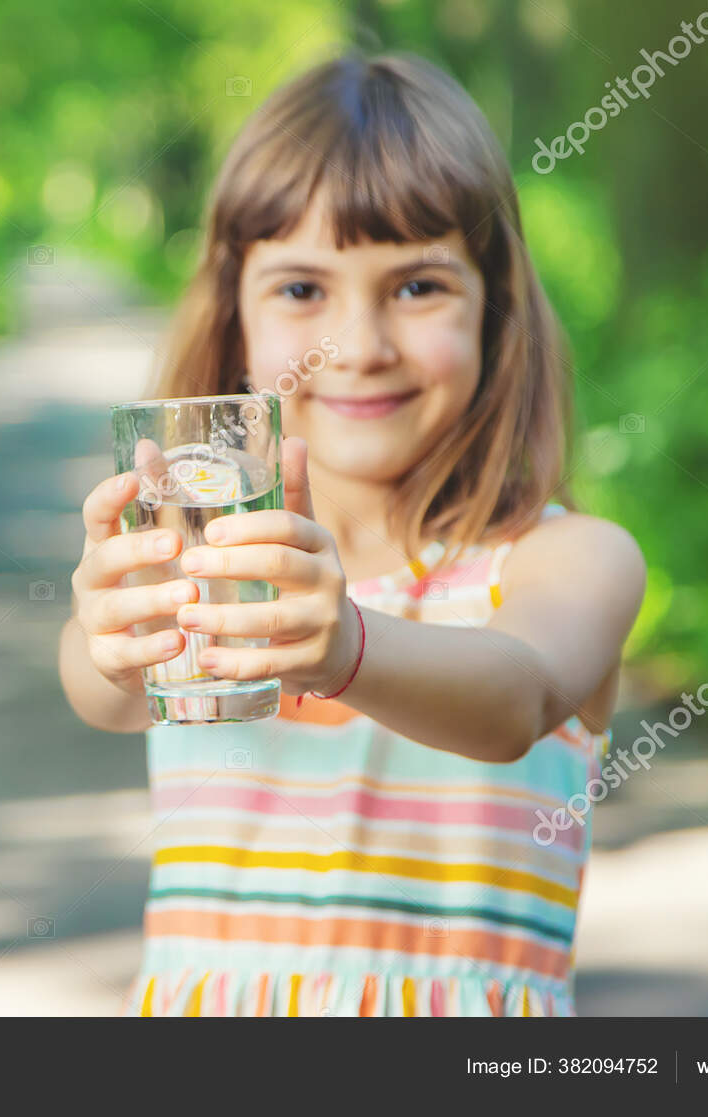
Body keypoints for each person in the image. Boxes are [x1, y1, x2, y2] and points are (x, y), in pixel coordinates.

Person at [57, 51, 645, 1016]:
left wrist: (346, 648)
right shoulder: (208, 566)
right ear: (236, 319)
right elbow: (99, 690)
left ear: (496, 310)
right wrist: (116, 640)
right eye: (301, 291)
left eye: (418, 287)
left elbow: (515, 700)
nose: (361, 345)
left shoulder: (567, 561)